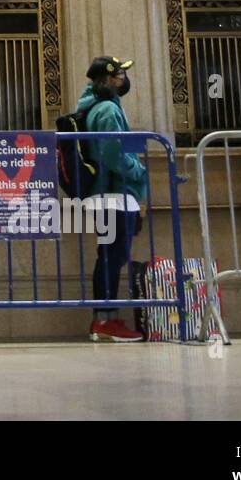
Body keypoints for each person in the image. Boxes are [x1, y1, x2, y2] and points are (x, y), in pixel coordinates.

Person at [77, 56, 147, 343]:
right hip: (113, 193)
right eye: (120, 74)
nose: (124, 78)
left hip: (111, 194)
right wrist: (137, 170)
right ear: (109, 79)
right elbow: (112, 152)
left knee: (112, 256)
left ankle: (106, 317)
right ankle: (104, 319)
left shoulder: (101, 106)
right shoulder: (106, 109)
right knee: (111, 256)